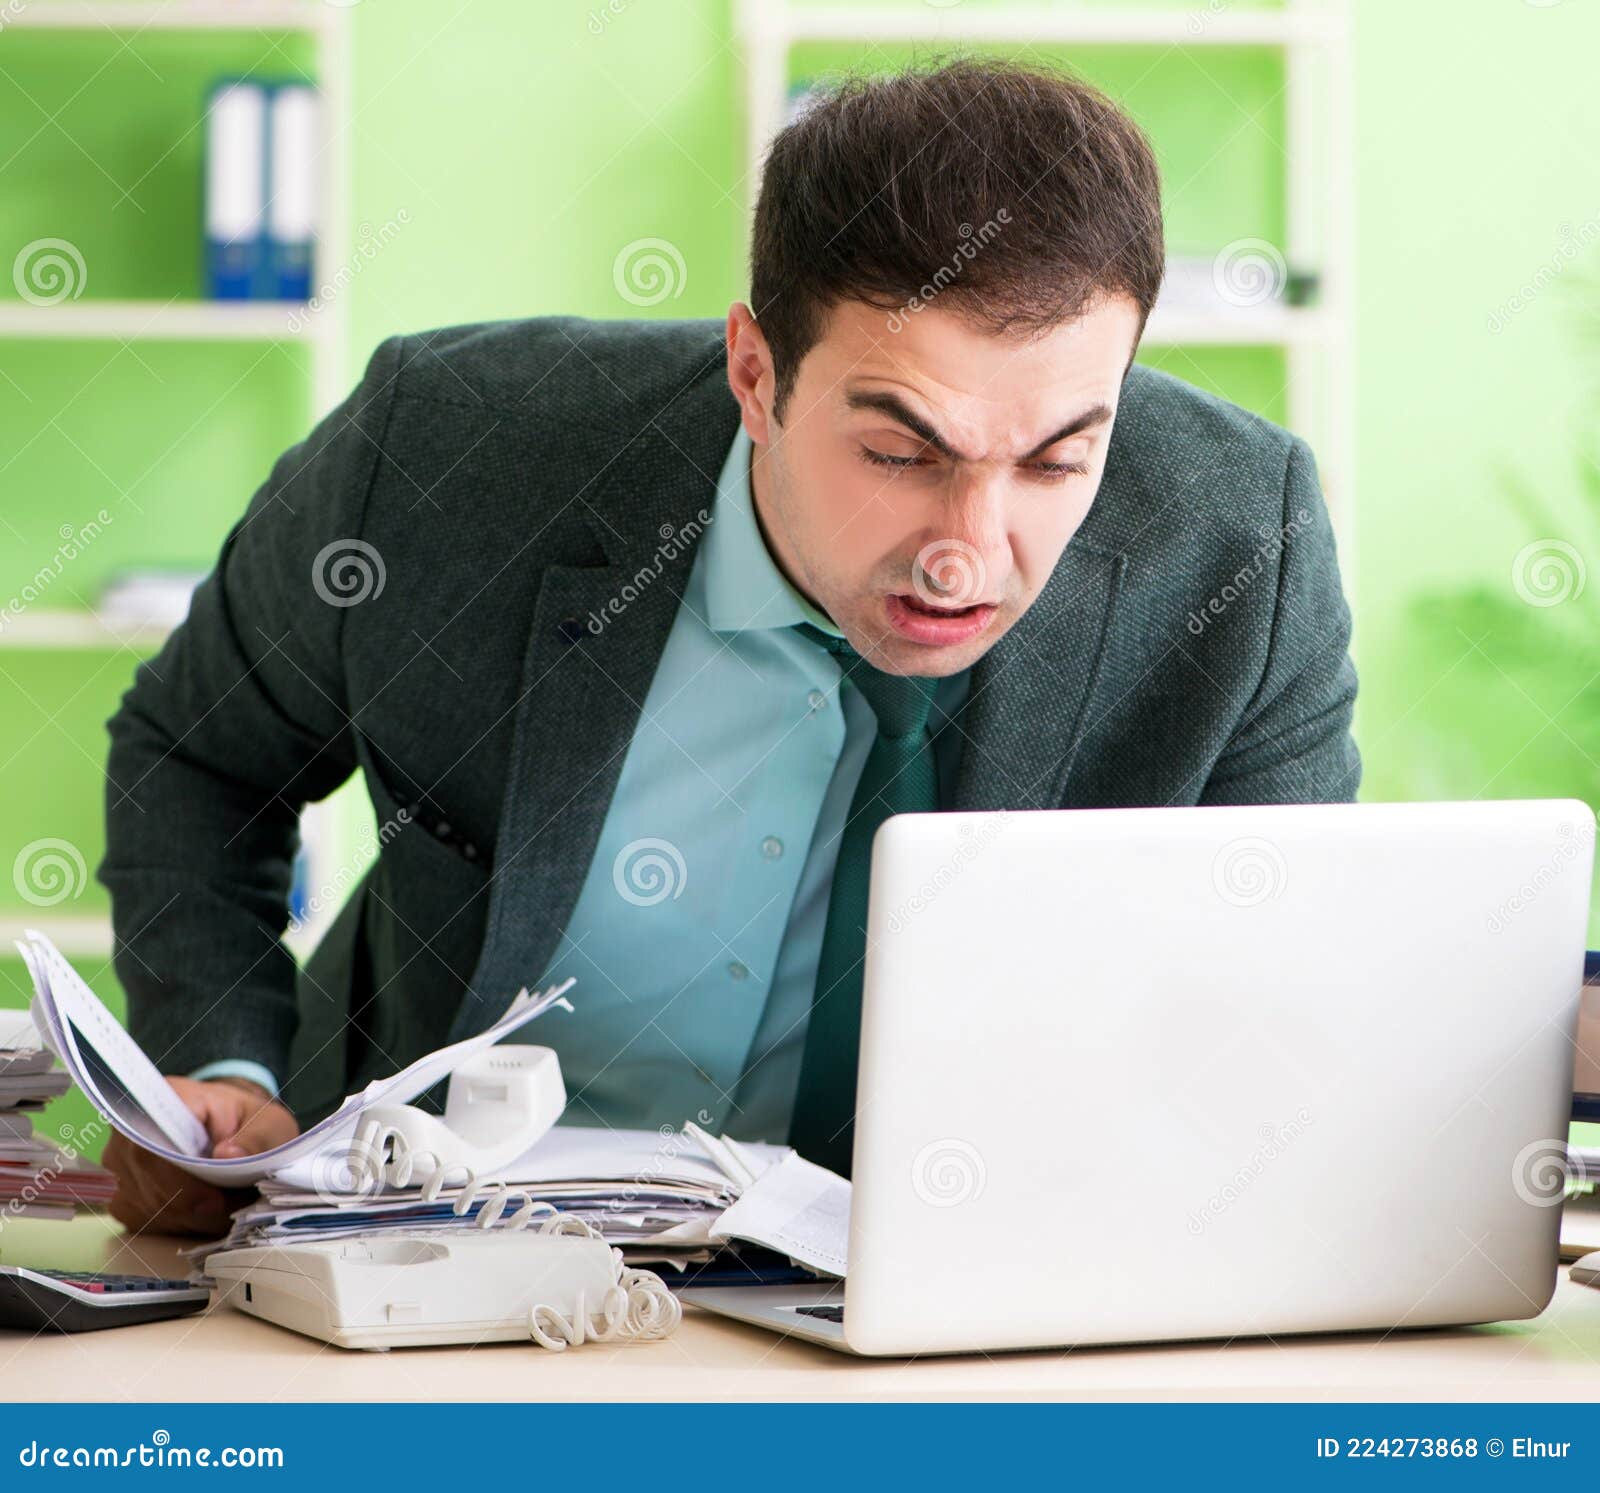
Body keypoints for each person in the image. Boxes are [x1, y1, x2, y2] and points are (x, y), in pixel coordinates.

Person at [100, 57, 1358, 1233]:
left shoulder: (1243, 547)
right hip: (430, 1246)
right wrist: (223, 1066)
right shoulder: (443, 451)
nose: (966, 549)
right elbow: (196, 757)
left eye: (1055, 458)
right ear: (754, 372)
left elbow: (1273, 982)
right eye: (899, 451)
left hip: (947, 1284)